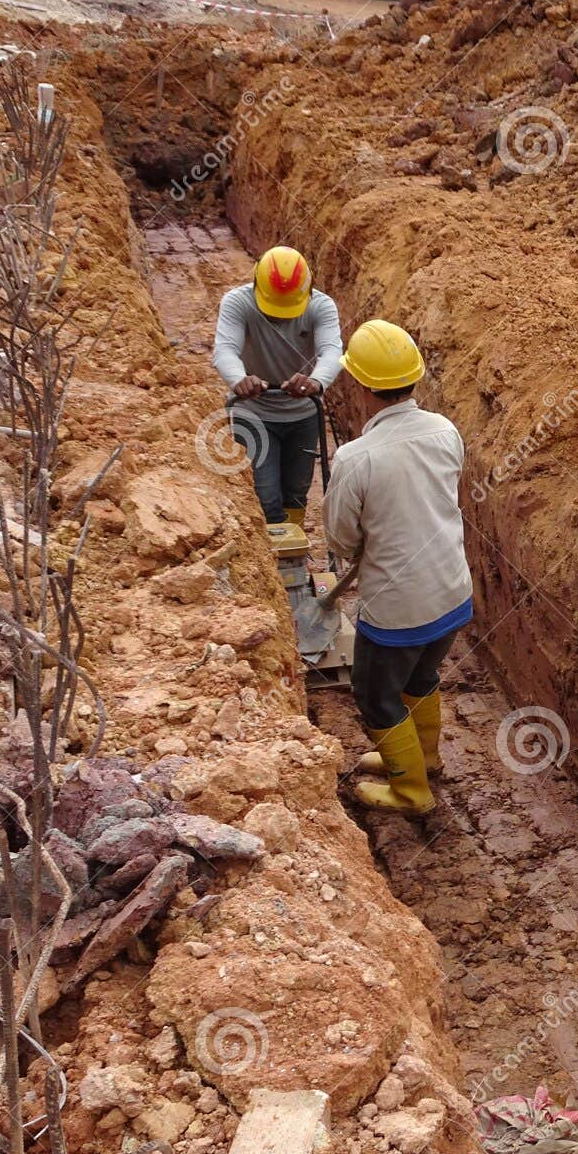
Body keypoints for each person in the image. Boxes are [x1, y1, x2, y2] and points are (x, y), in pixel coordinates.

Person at [324, 320, 472, 815]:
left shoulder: (354, 458)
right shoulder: (445, 431)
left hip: (397, 608)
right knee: (422, 675)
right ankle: (423, 759)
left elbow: (342, 539)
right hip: (452, 592)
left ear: (361, 384)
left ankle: (411, 793)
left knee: (374, 696)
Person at [211, 247, 343, 526]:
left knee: (296, 493)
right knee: (265, 495)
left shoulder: (321, 306)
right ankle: (271, 558)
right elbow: (225, 351)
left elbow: (331, 352)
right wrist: (240, 380)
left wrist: (315, 382)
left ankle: (291, 551)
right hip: (255, 414)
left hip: (303, 415)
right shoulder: (238, 303)